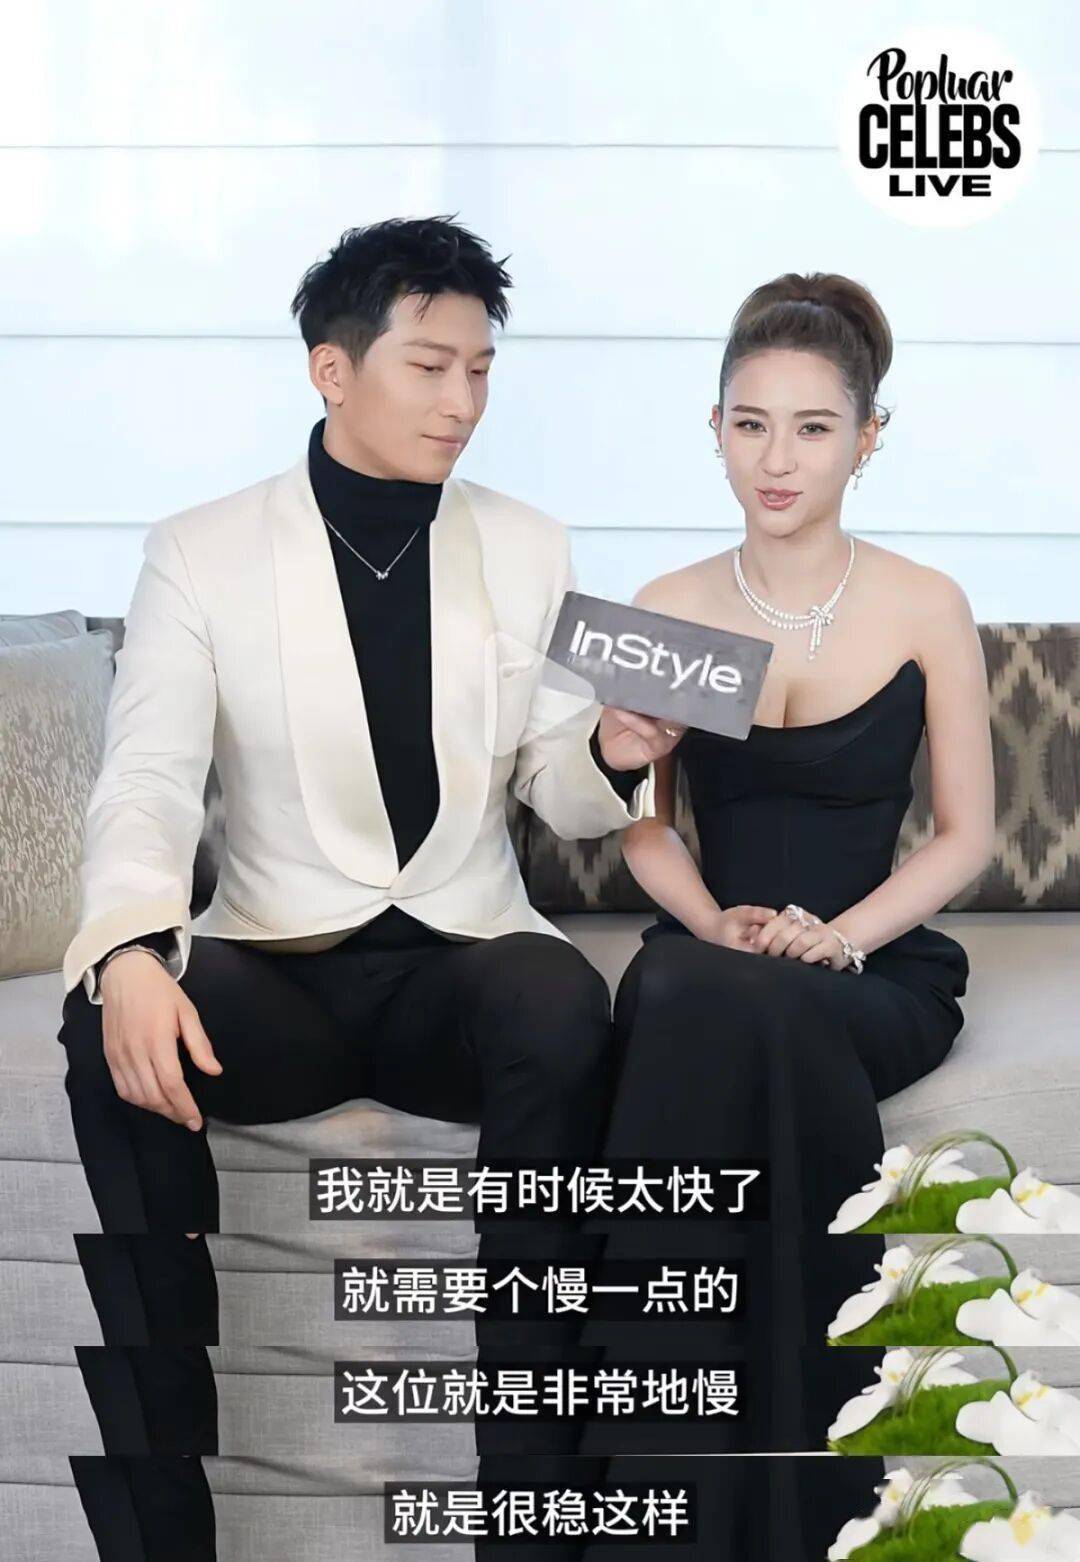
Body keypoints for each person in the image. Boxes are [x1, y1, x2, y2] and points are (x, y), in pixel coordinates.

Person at [56, 216, 679, 1561]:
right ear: (332, 371)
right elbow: (148, 778)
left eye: (482, 370)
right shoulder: (201, 550)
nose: (464, 401)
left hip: (463, 958)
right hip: (275, 968)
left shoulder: (528, 542)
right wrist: (127, 952)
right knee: (107, 1010)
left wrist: (617, 750)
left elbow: (556, 779)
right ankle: (160, 1529)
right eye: (430, 367)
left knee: (559, 997)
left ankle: (529, 1523)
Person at [574, 273, 996, 1500]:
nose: (777, 457)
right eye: (750, 423)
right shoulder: (671, 607)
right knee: (691, 990)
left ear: (868, 439)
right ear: (715, 429)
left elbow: (966, 833)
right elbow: (644, 827)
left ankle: (723, 1477)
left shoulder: (924, 605)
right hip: (716, 947)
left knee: (714, 1007)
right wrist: (714, 919)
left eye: (813, 428)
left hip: (869, 967)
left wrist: (840, 938)